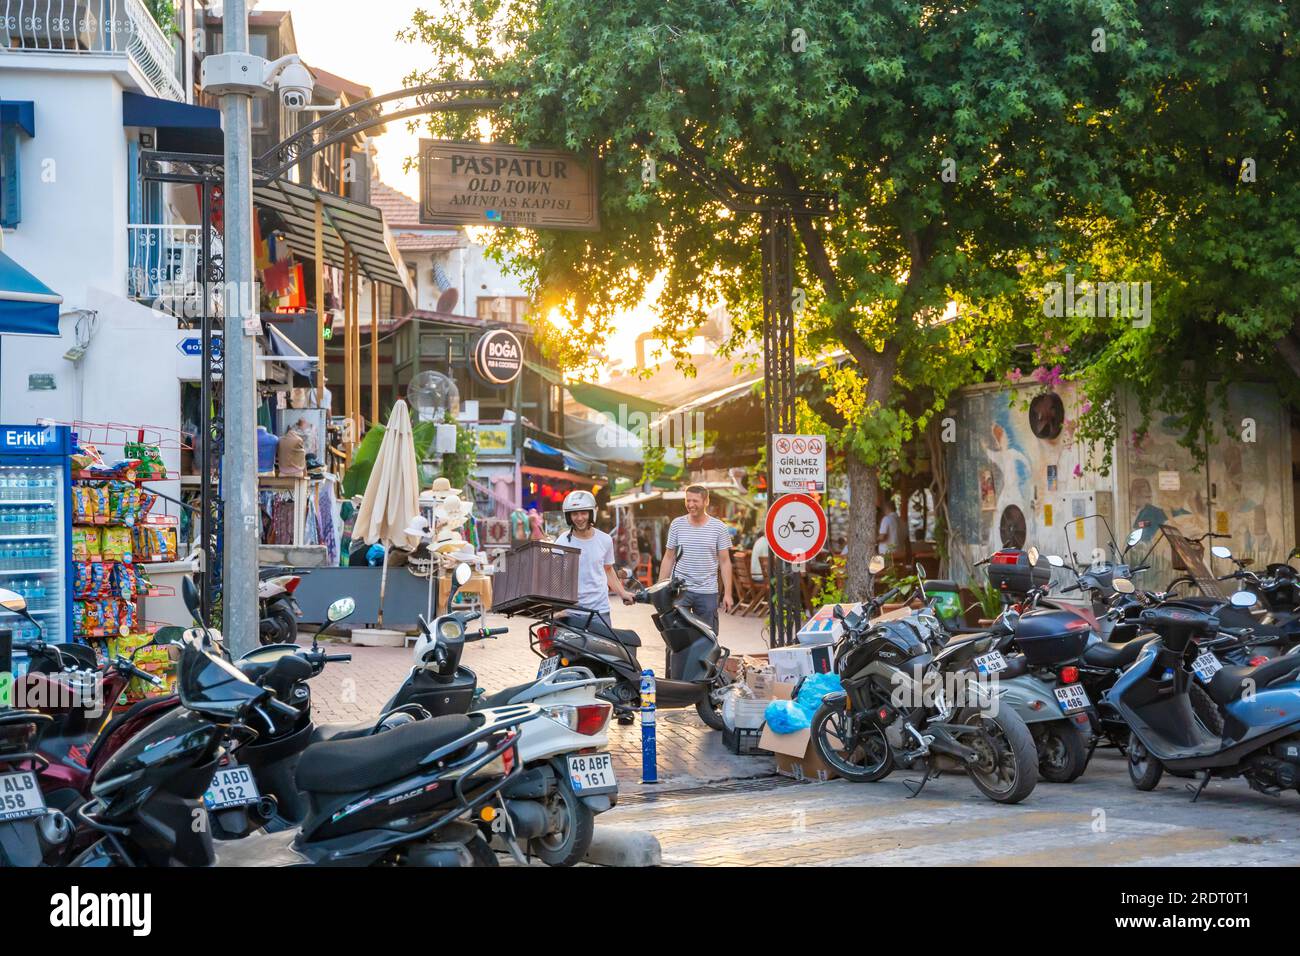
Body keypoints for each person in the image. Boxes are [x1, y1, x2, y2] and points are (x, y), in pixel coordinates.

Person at [659, 485, 735, 635]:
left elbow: (725, 562)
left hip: (707, 591)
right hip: (680, 590)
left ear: (706, 501)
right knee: (675, 636)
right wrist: (660, 588)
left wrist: (728, 593)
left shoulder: (719, 528)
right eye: (688, 500)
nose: (690, 504)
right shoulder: (677, 524)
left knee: (707, 638)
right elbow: (668, 557)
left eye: (695, 501)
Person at [558, 490, 634, 625]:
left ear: (592, 513)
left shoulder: (605, 540)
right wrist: (556, 608)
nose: (579, 518)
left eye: (583, 513)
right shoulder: (562, 542)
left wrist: (623, 594)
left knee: (606, 646)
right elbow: (554, 576)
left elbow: (608, 570)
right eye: (575, 513)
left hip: (600, 611)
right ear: (569, 516)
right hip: (571, 611)